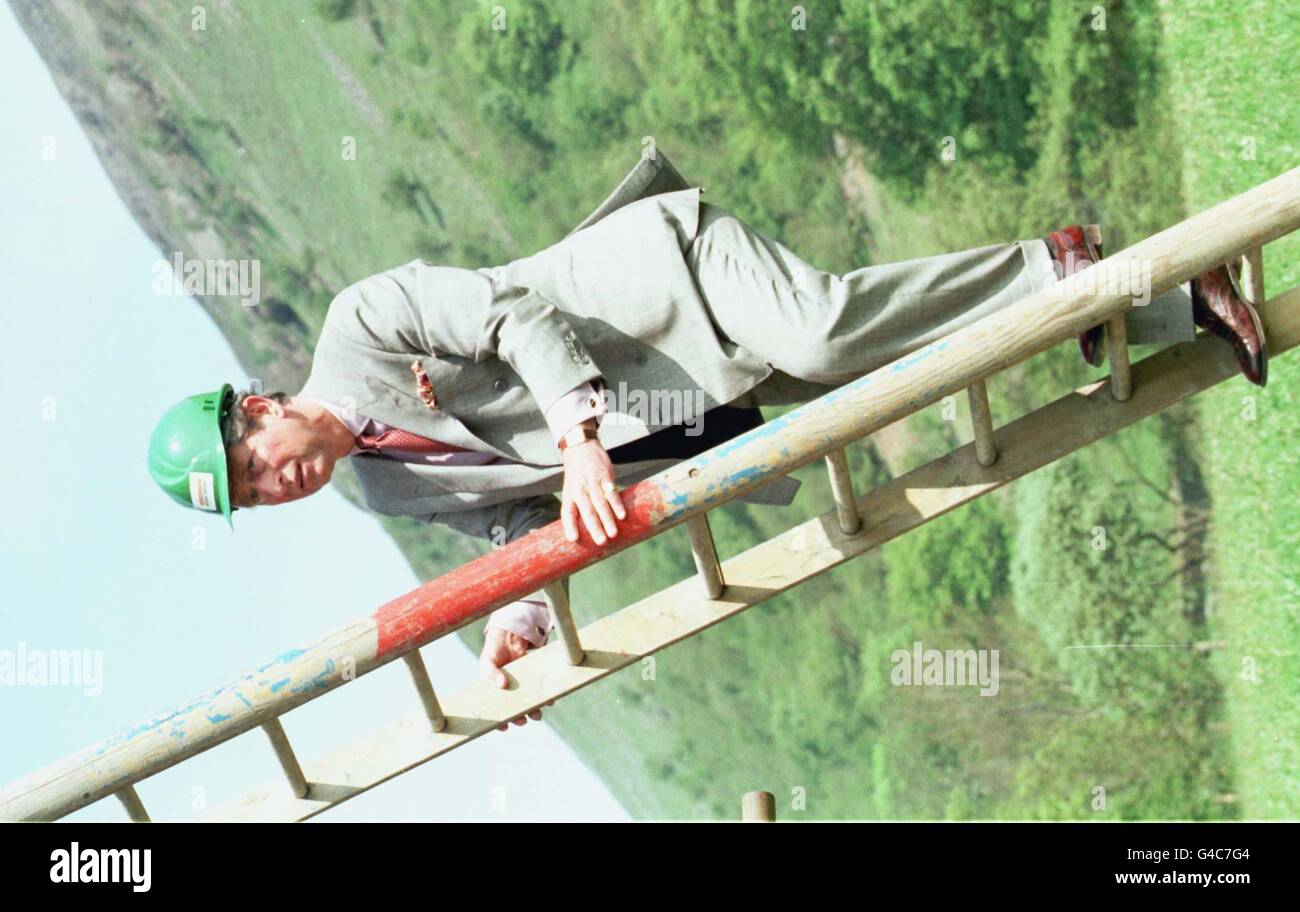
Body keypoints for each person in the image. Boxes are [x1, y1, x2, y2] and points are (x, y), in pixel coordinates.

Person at [148, 177, 1266, 729]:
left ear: (257, 406)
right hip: (684, 414)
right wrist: (517, 621)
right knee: (901, 374)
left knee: (823, 324)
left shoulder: (362, 321)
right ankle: (1166, 303)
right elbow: (513, 521)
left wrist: (579, 437)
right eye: (258, 497)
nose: (280, 481)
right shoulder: (379, 490)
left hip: (664, 288)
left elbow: (507, 318)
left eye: (257, 460)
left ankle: (1059, 268)